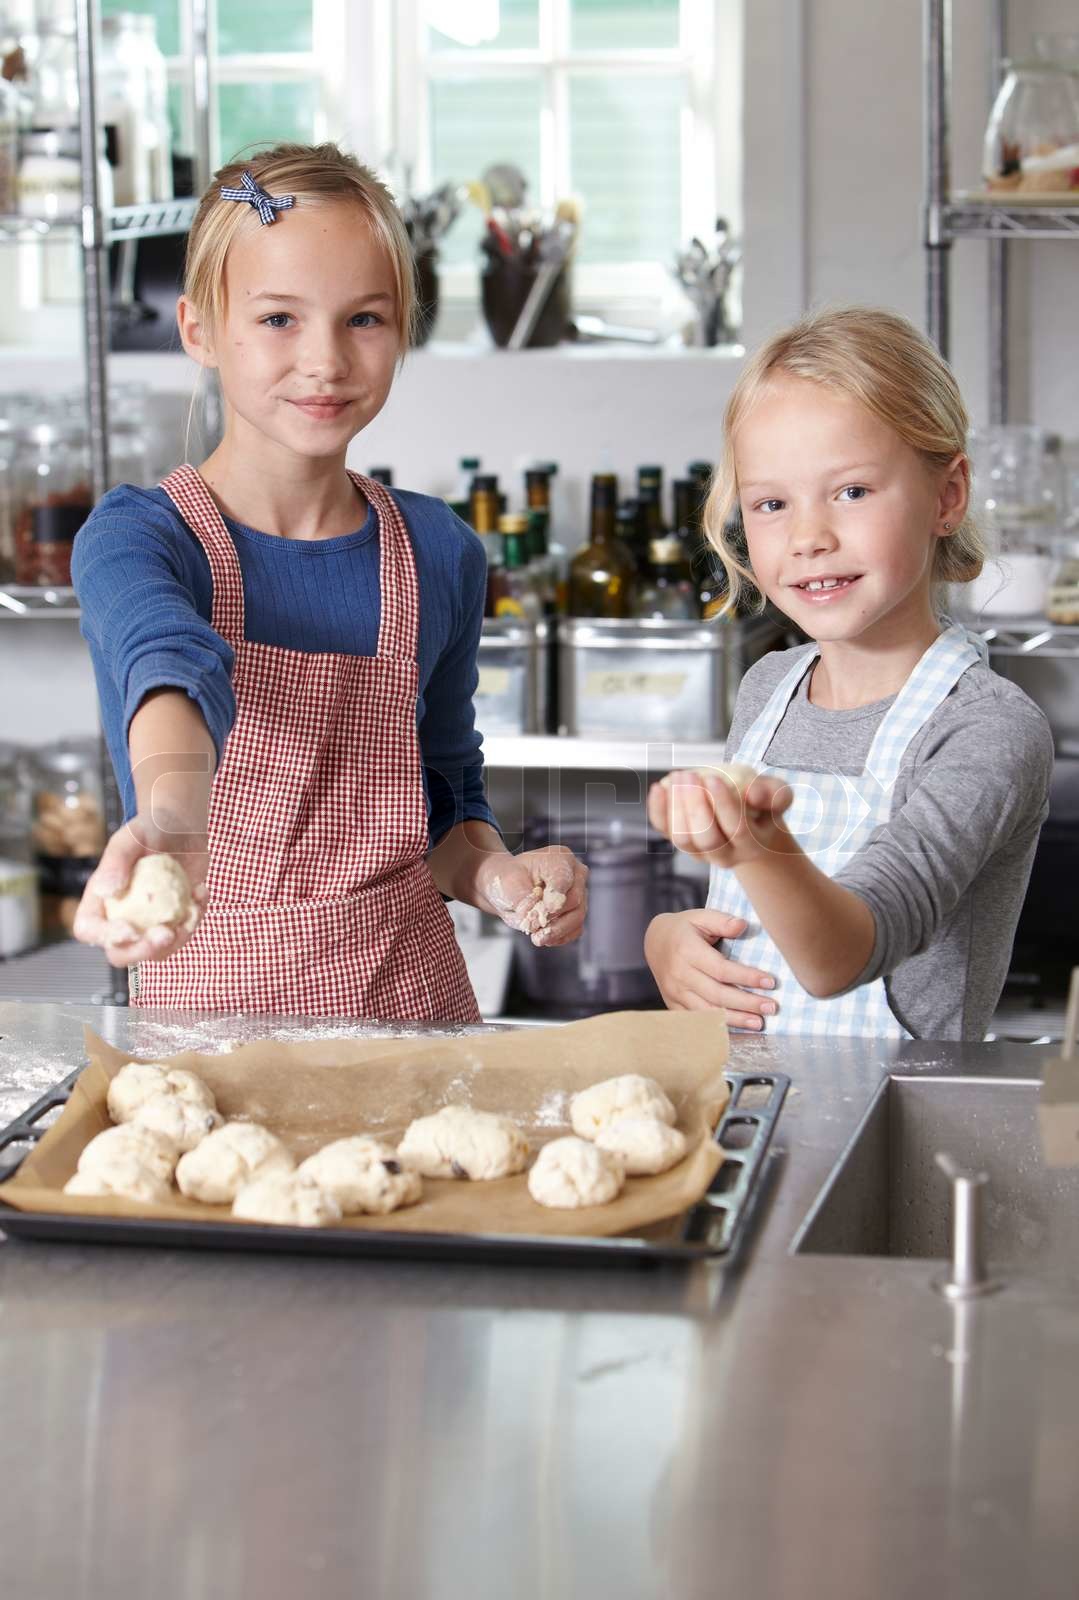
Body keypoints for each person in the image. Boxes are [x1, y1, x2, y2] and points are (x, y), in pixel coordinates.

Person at [71, 142, 586, 1021]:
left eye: (364, 319)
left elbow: (446, 795)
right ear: (199, 329)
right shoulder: (141, 539)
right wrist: (169, 826)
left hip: (413, 1017)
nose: (326, 360)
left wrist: (499, 876)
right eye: (278, 318)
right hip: (211, 1033)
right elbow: (172, 664)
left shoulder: (438, 551)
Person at [644, 306, 1053, 1041]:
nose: (808, 538)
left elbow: (846, 954)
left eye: (851, 492)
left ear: (947, 496)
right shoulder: (766, 689)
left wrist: (756, 844)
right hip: (750, 1111)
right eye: (771, 504)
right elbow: (738, 921)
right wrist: (668, 942)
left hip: (891, 1127)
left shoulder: (986, 729)